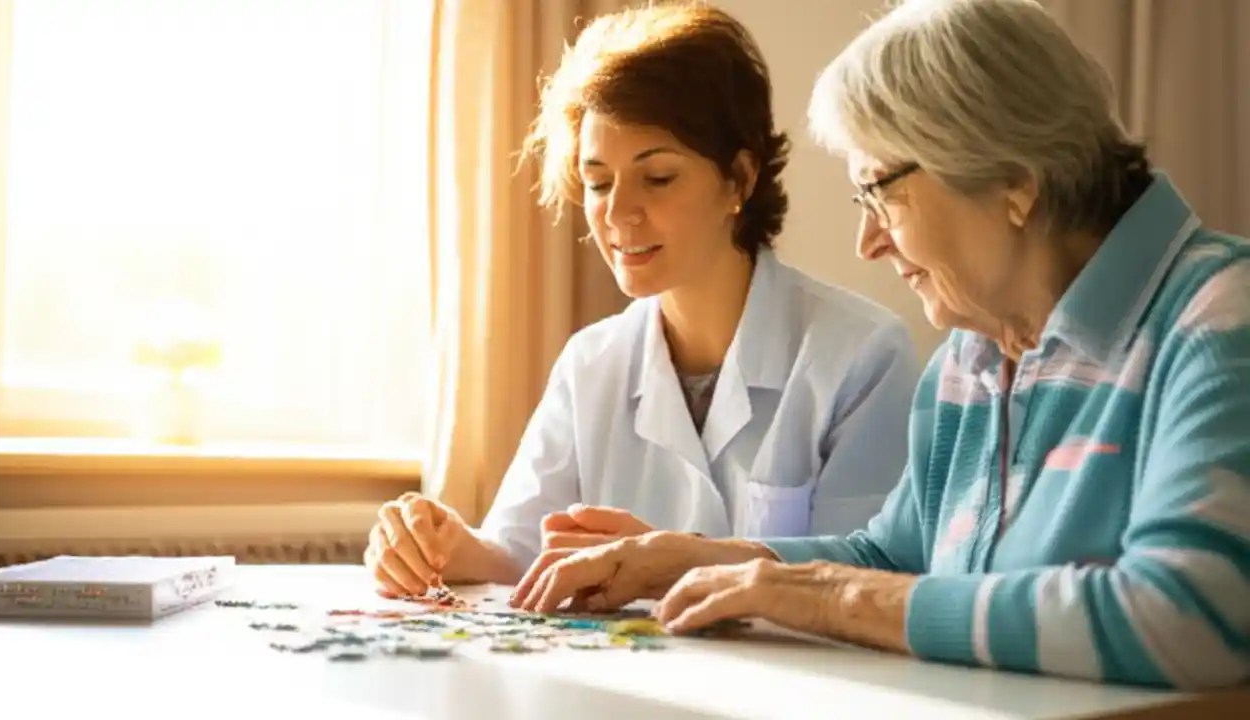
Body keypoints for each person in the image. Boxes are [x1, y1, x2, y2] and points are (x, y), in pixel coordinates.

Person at [512, 0, 1250, 691]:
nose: (867, 242)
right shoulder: (974, 356)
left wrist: (835, 599)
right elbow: (891, 557)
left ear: (1014, 183)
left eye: (881, 192)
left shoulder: (1221, 316)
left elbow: (1187, 616)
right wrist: (690, 557)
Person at [362, 4, 918, 595]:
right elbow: (520, 557)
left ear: (740, 179)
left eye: (657, 178)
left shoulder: (861, 356)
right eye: (598, 182)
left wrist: (671, 565)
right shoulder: (592, 363)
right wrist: (442, 548)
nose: (618, 212)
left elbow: (863, 585)